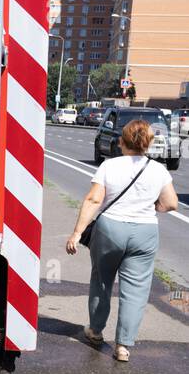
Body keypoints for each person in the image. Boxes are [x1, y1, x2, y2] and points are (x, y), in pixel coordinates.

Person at [66, 118, 179, 361]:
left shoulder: (110, 166)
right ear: (148, 143)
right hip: (145, 232)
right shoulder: (159, 170)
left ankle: (95, 331)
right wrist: (152, 207)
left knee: (102, 280)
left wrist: (77, 232)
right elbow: (171, 203)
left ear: (121, 140)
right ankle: (123, 346)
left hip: (110, 229)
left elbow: (94, 200)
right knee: (136, 290)